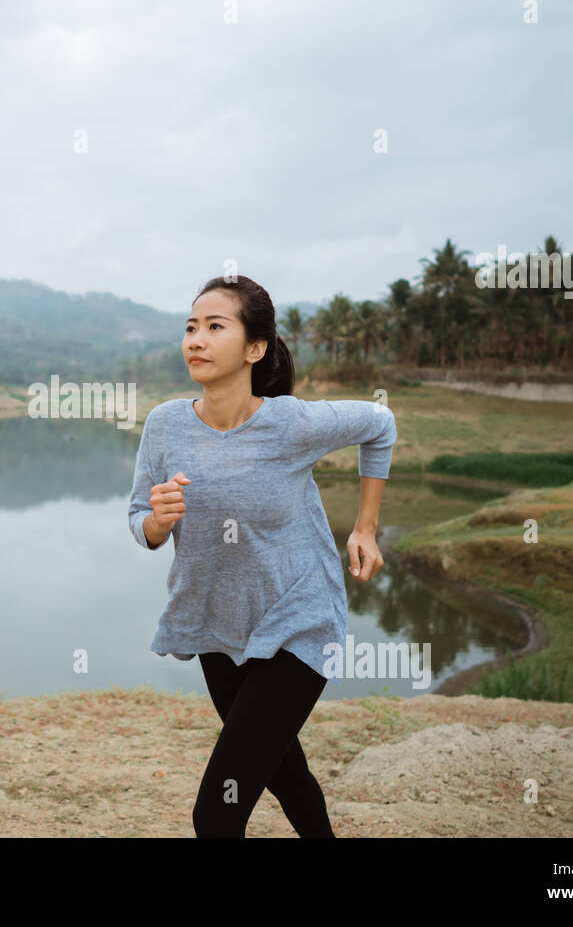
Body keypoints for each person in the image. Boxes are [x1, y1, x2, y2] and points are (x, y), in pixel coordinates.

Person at [126, 275, 397, 837]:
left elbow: (381, 424)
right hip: (216, 627)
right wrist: (157, 521)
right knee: (285, 773)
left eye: (214, 327)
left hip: (299, 621)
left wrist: (366, 528)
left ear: (255, 349)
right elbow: (140, 523)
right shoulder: (164, 424)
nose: (196, 339)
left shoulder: (291, 423)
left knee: (215, 815)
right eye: (191, 327)